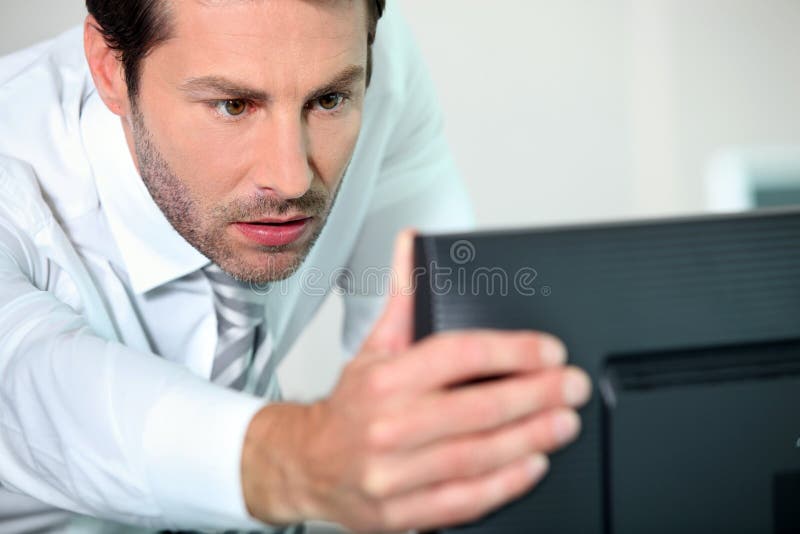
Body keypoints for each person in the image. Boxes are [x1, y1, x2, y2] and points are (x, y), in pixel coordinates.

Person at [0, 0, 592, 532]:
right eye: (233, 105)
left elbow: (430, 401)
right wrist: (302, 460)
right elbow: (34, 388)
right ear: (108, 66)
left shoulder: (365, 58)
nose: (291, 177)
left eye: (328, 101)